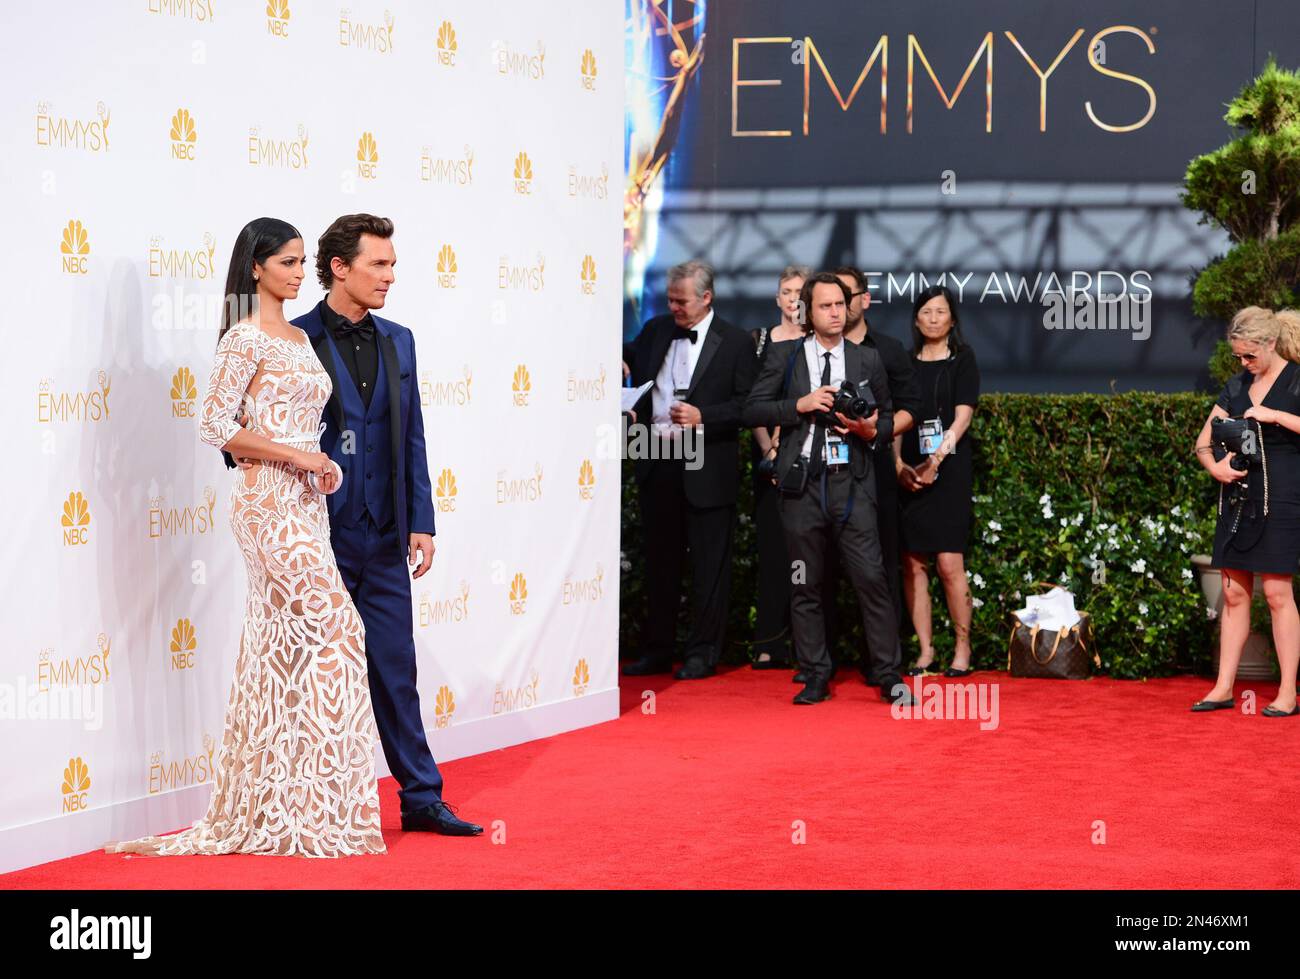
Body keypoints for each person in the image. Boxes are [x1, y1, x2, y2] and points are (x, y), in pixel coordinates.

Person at [105, 217, 387, 857]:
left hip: (303, 503)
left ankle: (286, 808)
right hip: (265, 504)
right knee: (339, 631)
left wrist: (319, 460)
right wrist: (297, 455)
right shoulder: (243, 338)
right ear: (256, 267)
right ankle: (307, 806)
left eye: (300, 261)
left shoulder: (295, 336)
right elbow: (214, 426)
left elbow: (300, 423)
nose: (297, 272)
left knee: (283, 648)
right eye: (286, 262)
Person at [283, 214, 481, 833]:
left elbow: (411, 433)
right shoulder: (292, 339)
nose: (391, 276)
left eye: (393, 264)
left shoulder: (401, 340)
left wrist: (421, 519)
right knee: (316, 671)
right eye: (379, 264)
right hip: (320, 535)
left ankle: (422, 798)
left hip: (387, 534)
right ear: (339, 267)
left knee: (396, 667)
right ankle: (311, 803)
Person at [743, 272, 914, 706]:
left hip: (851, 485)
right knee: (805, 583)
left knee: (872, 580)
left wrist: (869, 428)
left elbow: (890, 416)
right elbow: (752, 408)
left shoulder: (867, 359)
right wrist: (796, 406)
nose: (835, 313)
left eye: (840, 304)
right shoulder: (785, 356)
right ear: (808, 311)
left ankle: (889, 674)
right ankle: (816, 672)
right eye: (825, 306)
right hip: (802, 488)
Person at [622, 261, 757, 679]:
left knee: (707, 566)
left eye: (681, 301)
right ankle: (658, 649)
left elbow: (748, 406)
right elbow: (629, 357)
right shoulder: (656, 329)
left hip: (707, 464)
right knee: (660, 563)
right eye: (670, 300)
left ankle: (701, 653)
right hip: (656, 459)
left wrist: (704, 416)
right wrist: (622, 370)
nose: (674, 307)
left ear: (706, 298)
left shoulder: (735, 342)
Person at [1193, 305, 1300, 717]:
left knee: (1276, 594)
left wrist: (1275, 416)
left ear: (1270, 343)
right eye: (1238, 356)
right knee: (1234, 594)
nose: (1243, 363)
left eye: (1249, 355)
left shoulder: (1295, 380)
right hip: (1239, 501)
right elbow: (1204, 440)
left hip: (1285, 498)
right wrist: (1215, 466)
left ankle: (1287, 693)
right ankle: (1223, 687)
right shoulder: (1236, 386)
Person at [834, 265, 919, 683]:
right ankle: (822, 662)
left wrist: (877, 430)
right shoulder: (811, 351)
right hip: (822, 475)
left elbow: (911, 406)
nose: (839, 305)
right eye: (831, 296)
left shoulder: (887, 348)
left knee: (881, 566)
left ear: (865, 299)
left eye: (847, 295)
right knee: (820, 567)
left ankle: (883, 663)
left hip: (875, 472)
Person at [896, 286, 980, 677]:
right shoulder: (904, 363)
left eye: (940, 311)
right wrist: (898, 464)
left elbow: (962, 418)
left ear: (952, 320)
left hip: (949, 471)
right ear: (916, 319)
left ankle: (962, 649)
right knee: (913, 563)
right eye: (926, 312)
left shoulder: (963, 360)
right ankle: (926, 651)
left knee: (949, 563)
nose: (933, 318)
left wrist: (936, 460)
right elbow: (894, 418)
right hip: (909, 472)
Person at [749, 265, 809, 669]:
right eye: (786, 292)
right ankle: (768, 641)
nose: (793, 299)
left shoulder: (819, 344)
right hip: (769, 459)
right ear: (777, 298)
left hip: (806, 459)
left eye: (800, 292)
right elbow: (751, 403)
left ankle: (805, 645)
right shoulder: (759, 342)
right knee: (772, 554)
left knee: (805, 557)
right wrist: (769, 451)